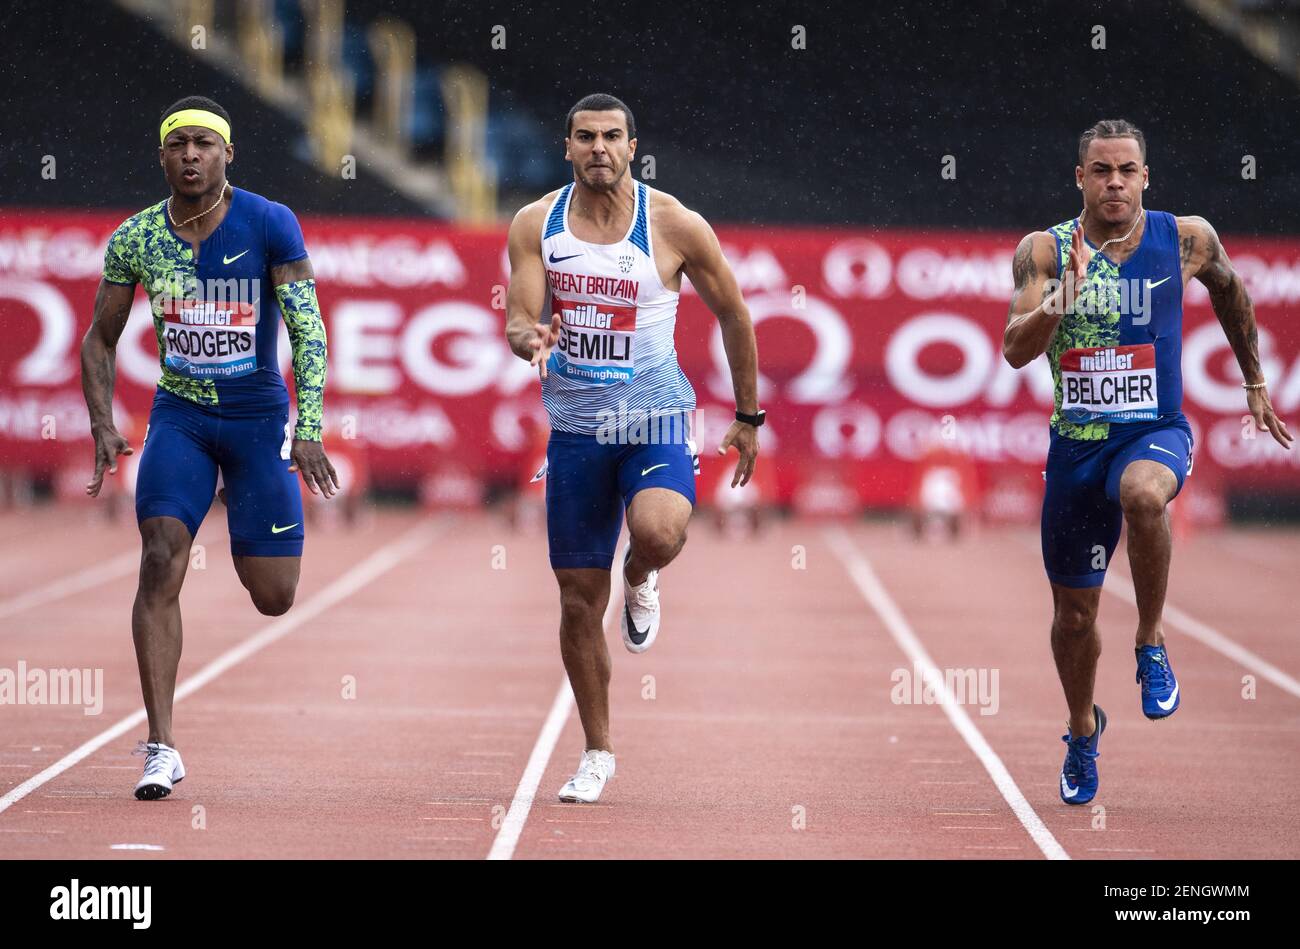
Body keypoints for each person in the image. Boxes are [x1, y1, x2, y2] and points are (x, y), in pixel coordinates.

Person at [1003, 119, 1292, 805]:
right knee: (1073, 618)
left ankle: (1152, 640)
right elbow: (1015, 347)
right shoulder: (1044, 250)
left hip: (1155, 430)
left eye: (1126, 170)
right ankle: (1082, 728)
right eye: (1100, 170)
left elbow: (1230, 290)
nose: (1114, 183)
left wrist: (1253, 379)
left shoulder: (1185, 237)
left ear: (1145, 176)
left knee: (1143, 494)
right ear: (1080, 177)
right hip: (1076, 446)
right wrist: (1059, 300)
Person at [504, 93, 761, 803]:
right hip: (578, 431)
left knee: (657, 530)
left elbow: (735, 313)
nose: (598, 148)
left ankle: (642, 574)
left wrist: (748, 414)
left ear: (632, 145)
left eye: (611, 136)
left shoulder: (673, 223)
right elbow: (521, 314)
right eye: (584, 136)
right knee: (580, 602)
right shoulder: (537, 224)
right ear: (567, 147)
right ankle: (597, 750)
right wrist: (530, 337)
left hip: (654, 418)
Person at [81, 96, 338, 800]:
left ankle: (243, 523)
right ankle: (161, 744)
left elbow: (308, 330)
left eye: (204, 144)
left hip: (257, 422)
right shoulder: (135, 237)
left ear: (228, 155)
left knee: (274, 597)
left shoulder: (269, 223)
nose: (191, 155)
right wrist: (103, 422)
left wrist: (308, 426)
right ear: (161, 156)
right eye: (178, 145)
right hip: (182, 418)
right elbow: (100, 337)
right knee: (161, 551)